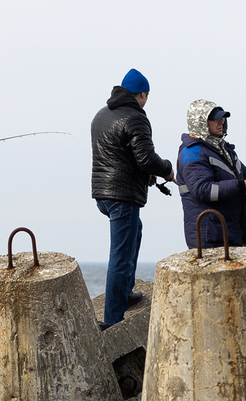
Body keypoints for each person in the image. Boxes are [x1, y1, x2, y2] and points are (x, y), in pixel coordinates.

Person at [90, 69, 175, 329]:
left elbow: (120, 156)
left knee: (134, 232)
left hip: (103, 194)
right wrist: (167, 169)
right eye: (146, 96)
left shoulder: (101, 114)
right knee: (120, 255)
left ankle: (125, 292)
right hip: (122, 197)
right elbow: (146, 158)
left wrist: (144, 175)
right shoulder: (136, 118)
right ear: (142, 94)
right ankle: (113, 320)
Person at [177, 99, 246, 249]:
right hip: (211, 239)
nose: (221, 122)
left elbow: (245, 174)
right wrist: (242, 186)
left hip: (233, 233)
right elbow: (202, 190)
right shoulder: (192, 152)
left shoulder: (224, 149)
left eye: (222, 118)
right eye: (215, 119)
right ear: (200, 122)